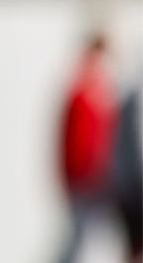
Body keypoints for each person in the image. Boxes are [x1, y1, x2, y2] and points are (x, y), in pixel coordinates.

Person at [57, 32, 121, 263]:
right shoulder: (83, 92)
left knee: (89, 243)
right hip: (85, 182)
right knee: (79, 242)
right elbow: (77, 143)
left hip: (95, 182)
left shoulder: (96, 93)